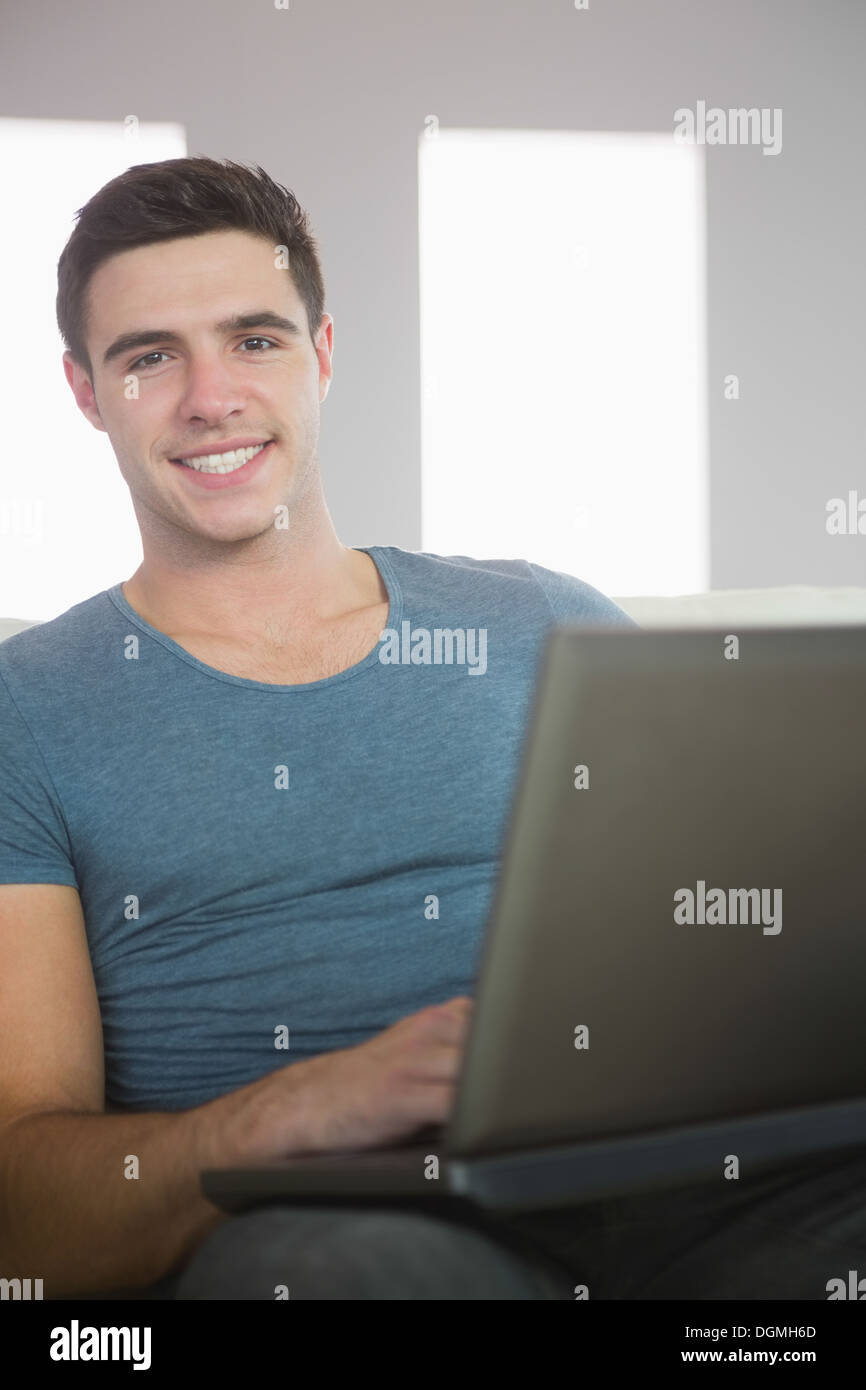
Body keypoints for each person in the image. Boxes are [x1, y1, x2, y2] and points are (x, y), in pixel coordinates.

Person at [1, 158, 863, 1301]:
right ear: (82, 389)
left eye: (253, 339)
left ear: (320, 352)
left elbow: (759, 939)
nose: (210, 396)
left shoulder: (540, 618)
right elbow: (24, 1215)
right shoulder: (30, 707)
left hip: (700, 1187)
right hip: (349, 1226)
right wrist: (298, 1107)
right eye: (150, 356)